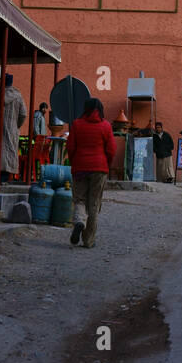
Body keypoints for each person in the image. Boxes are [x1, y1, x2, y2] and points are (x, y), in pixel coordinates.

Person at [68, 97, 115, 249]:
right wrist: (107, 164)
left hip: (80, 167)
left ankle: (79, 221)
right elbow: (111, 149)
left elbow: (70, 147)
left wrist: (74, 162)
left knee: (80, 199)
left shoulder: (76, 124)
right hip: (99, 168)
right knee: (94, 204)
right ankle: (88, 241)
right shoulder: (106, 126)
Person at [0, 74, 27, 184]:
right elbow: (23, 114)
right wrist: (16, 126)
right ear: (11, 82)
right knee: (8, 152)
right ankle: (4, 178)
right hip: (11, 130)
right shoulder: (18, 96)